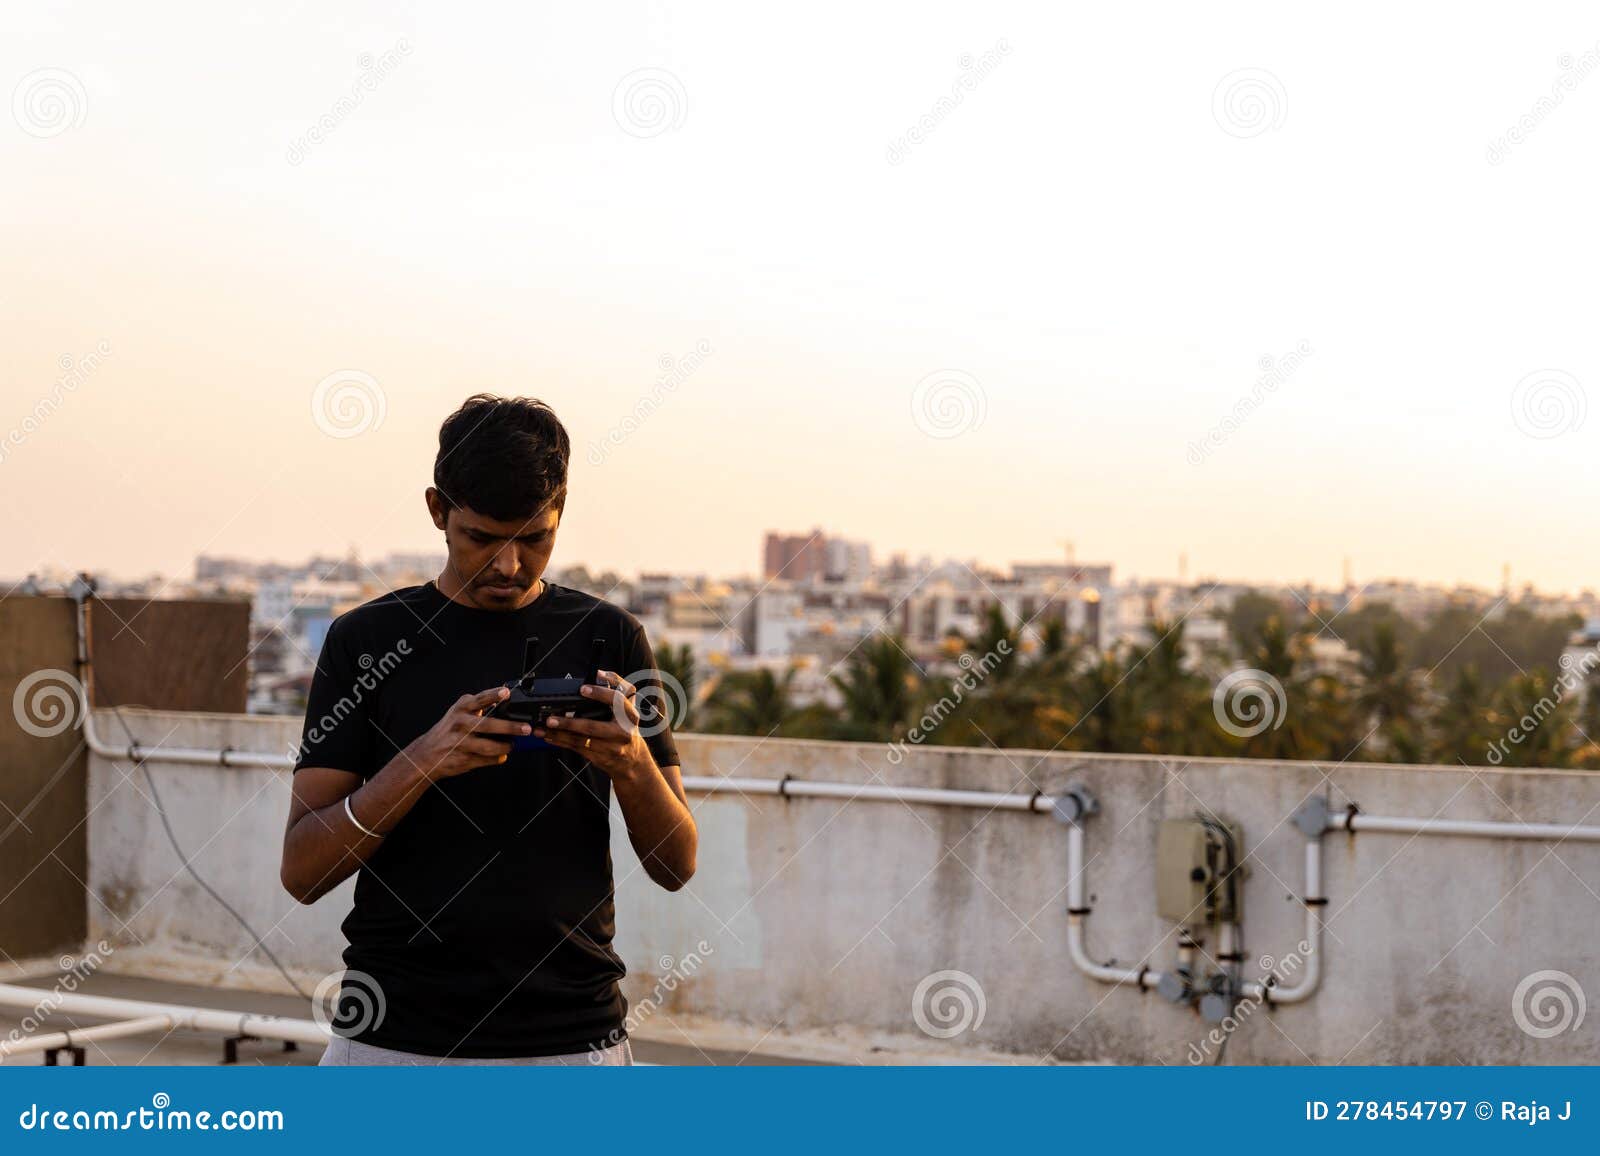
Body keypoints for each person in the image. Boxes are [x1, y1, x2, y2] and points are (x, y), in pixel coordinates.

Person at [280, 393, 696, 1065]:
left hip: (572, 1039)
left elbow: (676, 866)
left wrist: (633, 766)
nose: (508, 566)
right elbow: (302, 872)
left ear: (561, 515)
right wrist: (420, 762)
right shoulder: (366, 641)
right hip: (391, 1039)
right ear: (437, 511)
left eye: (534, 539)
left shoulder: (610, 637)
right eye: (483, 538)